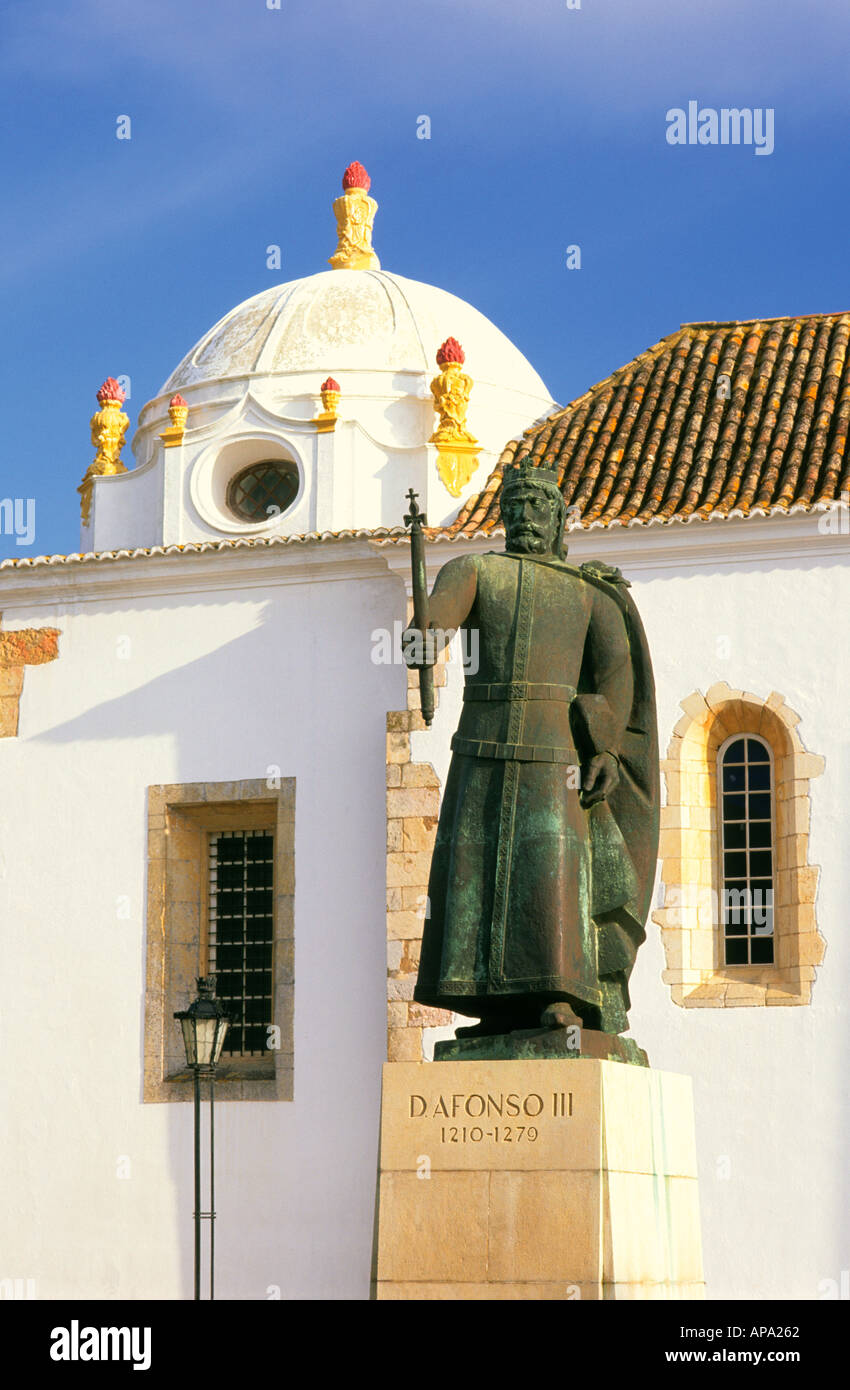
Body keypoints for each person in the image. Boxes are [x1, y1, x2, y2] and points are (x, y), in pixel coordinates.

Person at [405, 463, 659, 1044]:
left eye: (538, 507)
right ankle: (486, 1000)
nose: (525, 518)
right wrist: (422, 633)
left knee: (552, 873)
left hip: (556, 755)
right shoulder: (473, 570)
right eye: (515, 506)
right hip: (481, 748)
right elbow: (435, 627)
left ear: (558, 518)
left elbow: (613, 676)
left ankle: (560, 996)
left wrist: (607, 749)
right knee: (475, 871)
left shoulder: (589, 592)